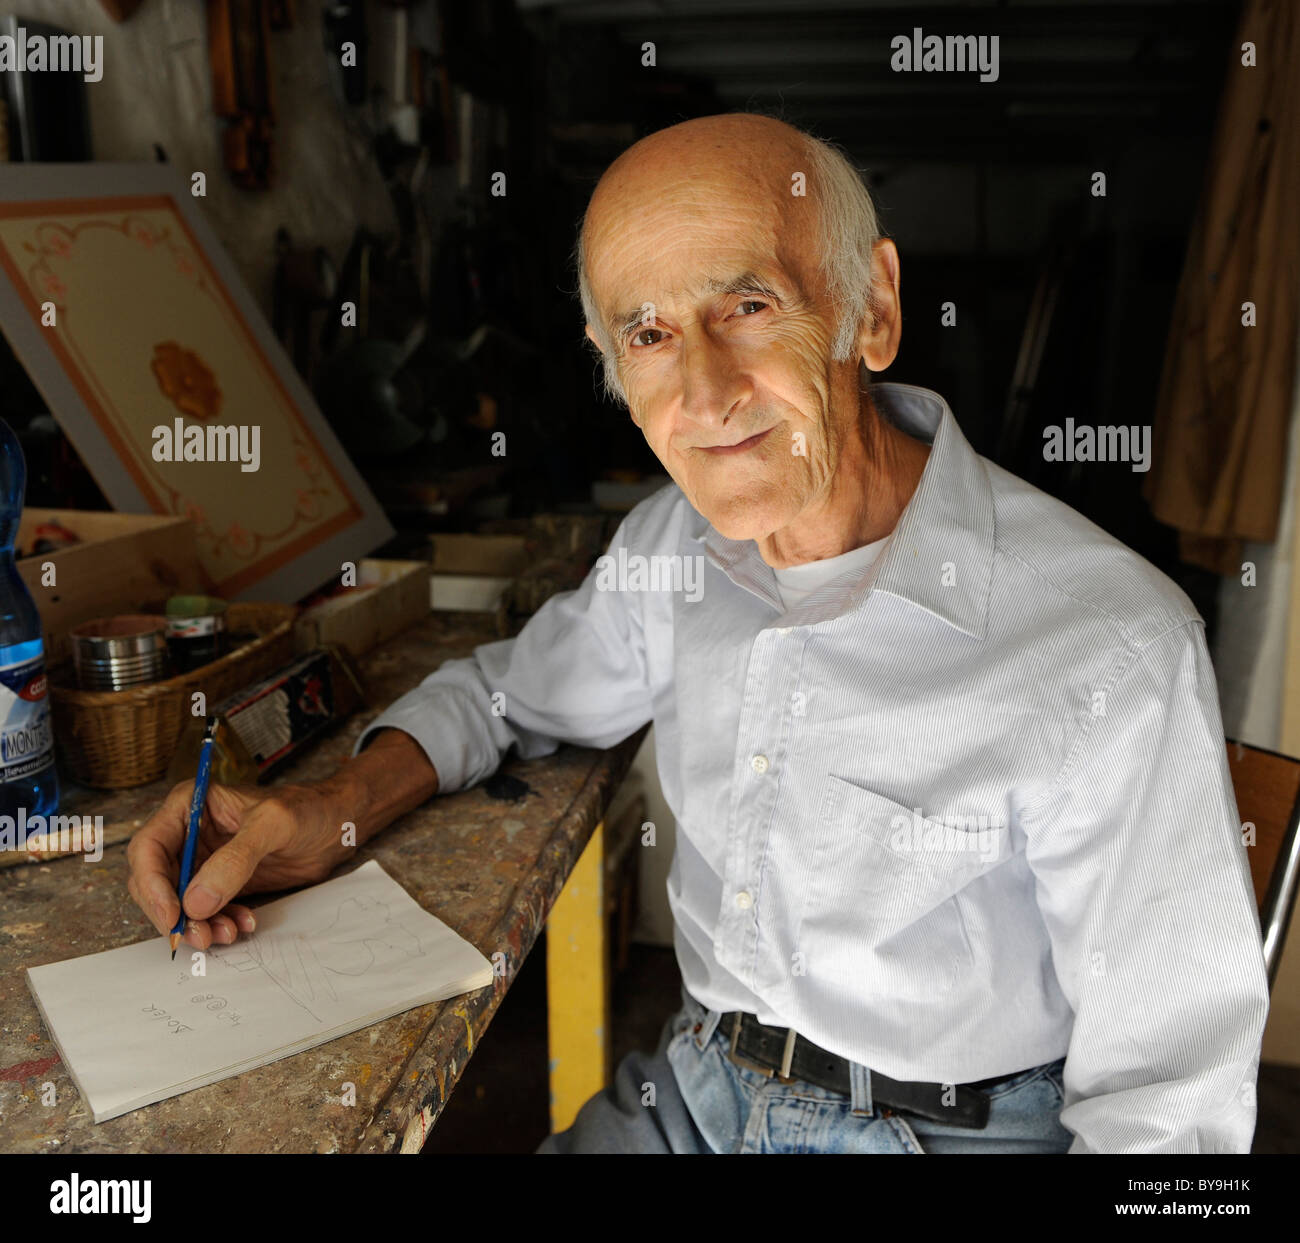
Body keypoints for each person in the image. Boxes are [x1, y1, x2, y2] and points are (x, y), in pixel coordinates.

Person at [127, 113, 1269, 1154]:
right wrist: (328, 813)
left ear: (871, 308)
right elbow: (504, 697)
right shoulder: (672, 550)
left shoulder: (1104, 642)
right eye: (650, 334)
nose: (704, 393)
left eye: (748, 306)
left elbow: (1171, 1118)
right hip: (692, 1093)